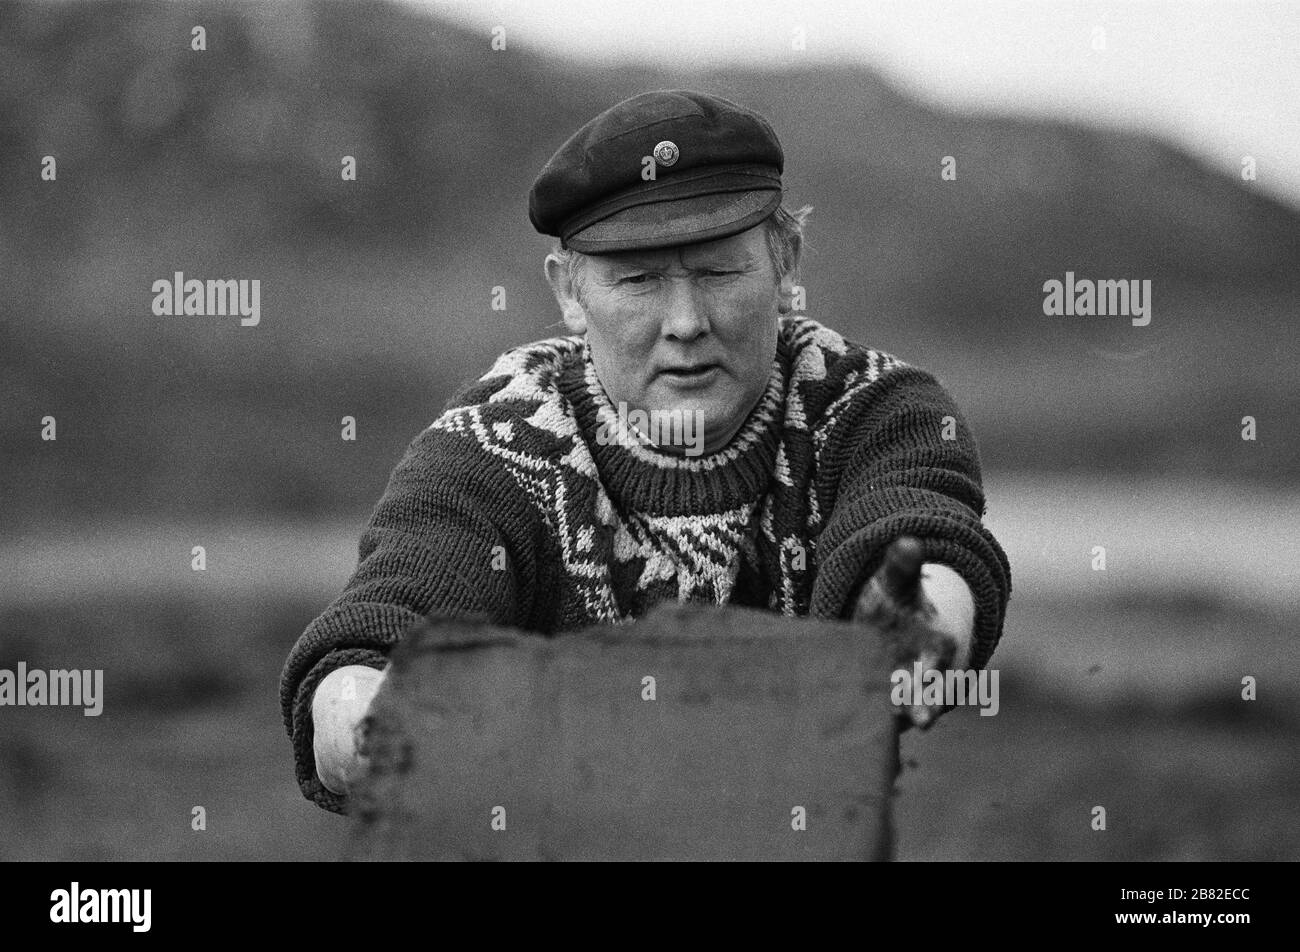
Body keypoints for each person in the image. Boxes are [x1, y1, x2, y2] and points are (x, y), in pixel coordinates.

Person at [280, 89, 1012, 814]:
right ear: (569, 291)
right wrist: (367, 715)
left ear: (785, 261)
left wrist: (918, 623)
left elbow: (922, 532)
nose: (686, 322)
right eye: (637, 280)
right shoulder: (489, 448)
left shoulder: (874, 409)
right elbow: (378, 632)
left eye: (720, 271)